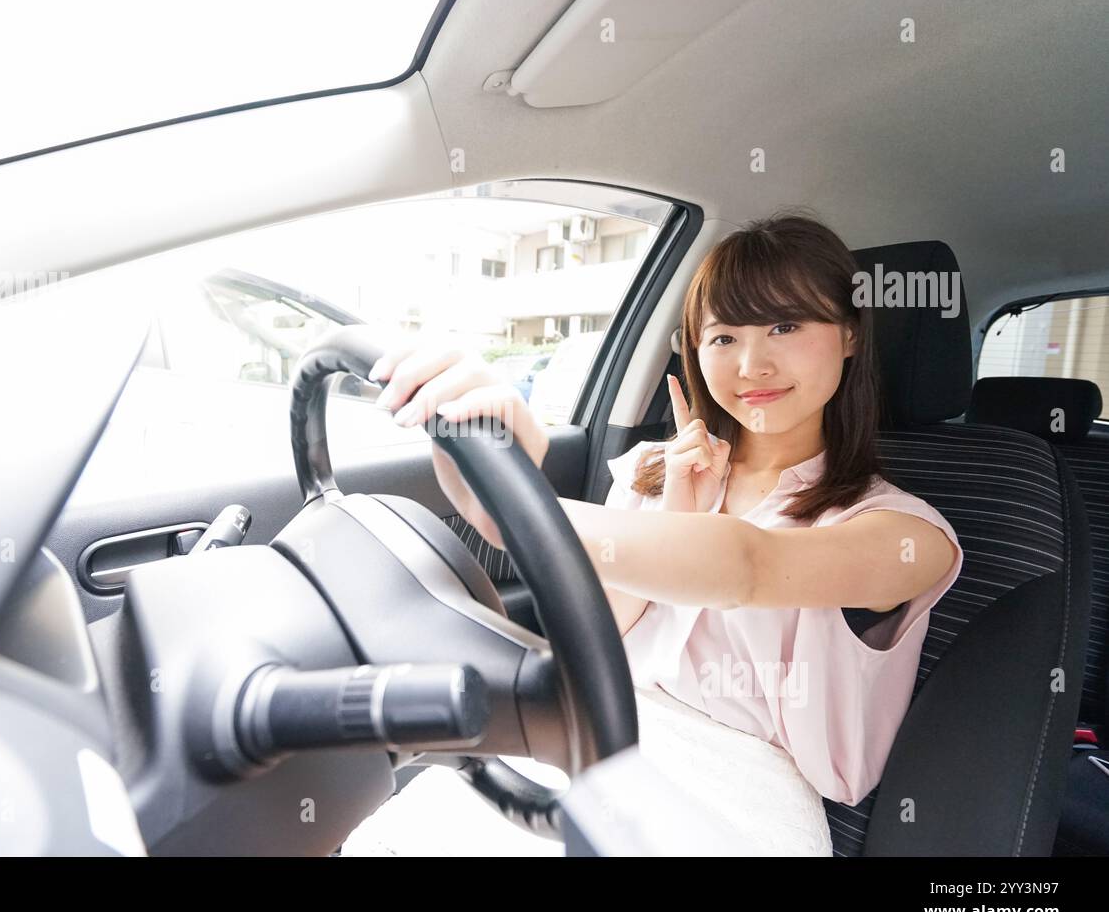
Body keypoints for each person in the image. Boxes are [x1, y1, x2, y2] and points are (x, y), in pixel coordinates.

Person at [336, 211, 964, 856]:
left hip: (736, 793)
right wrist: (675, 511)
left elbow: (747, 567)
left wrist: (514, 508)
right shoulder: (653, 471)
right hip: (586, 732)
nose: (752, 364)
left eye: (786, 326)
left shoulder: (902, 533)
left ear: (851, 336)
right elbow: (598, 636)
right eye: (723, 337)